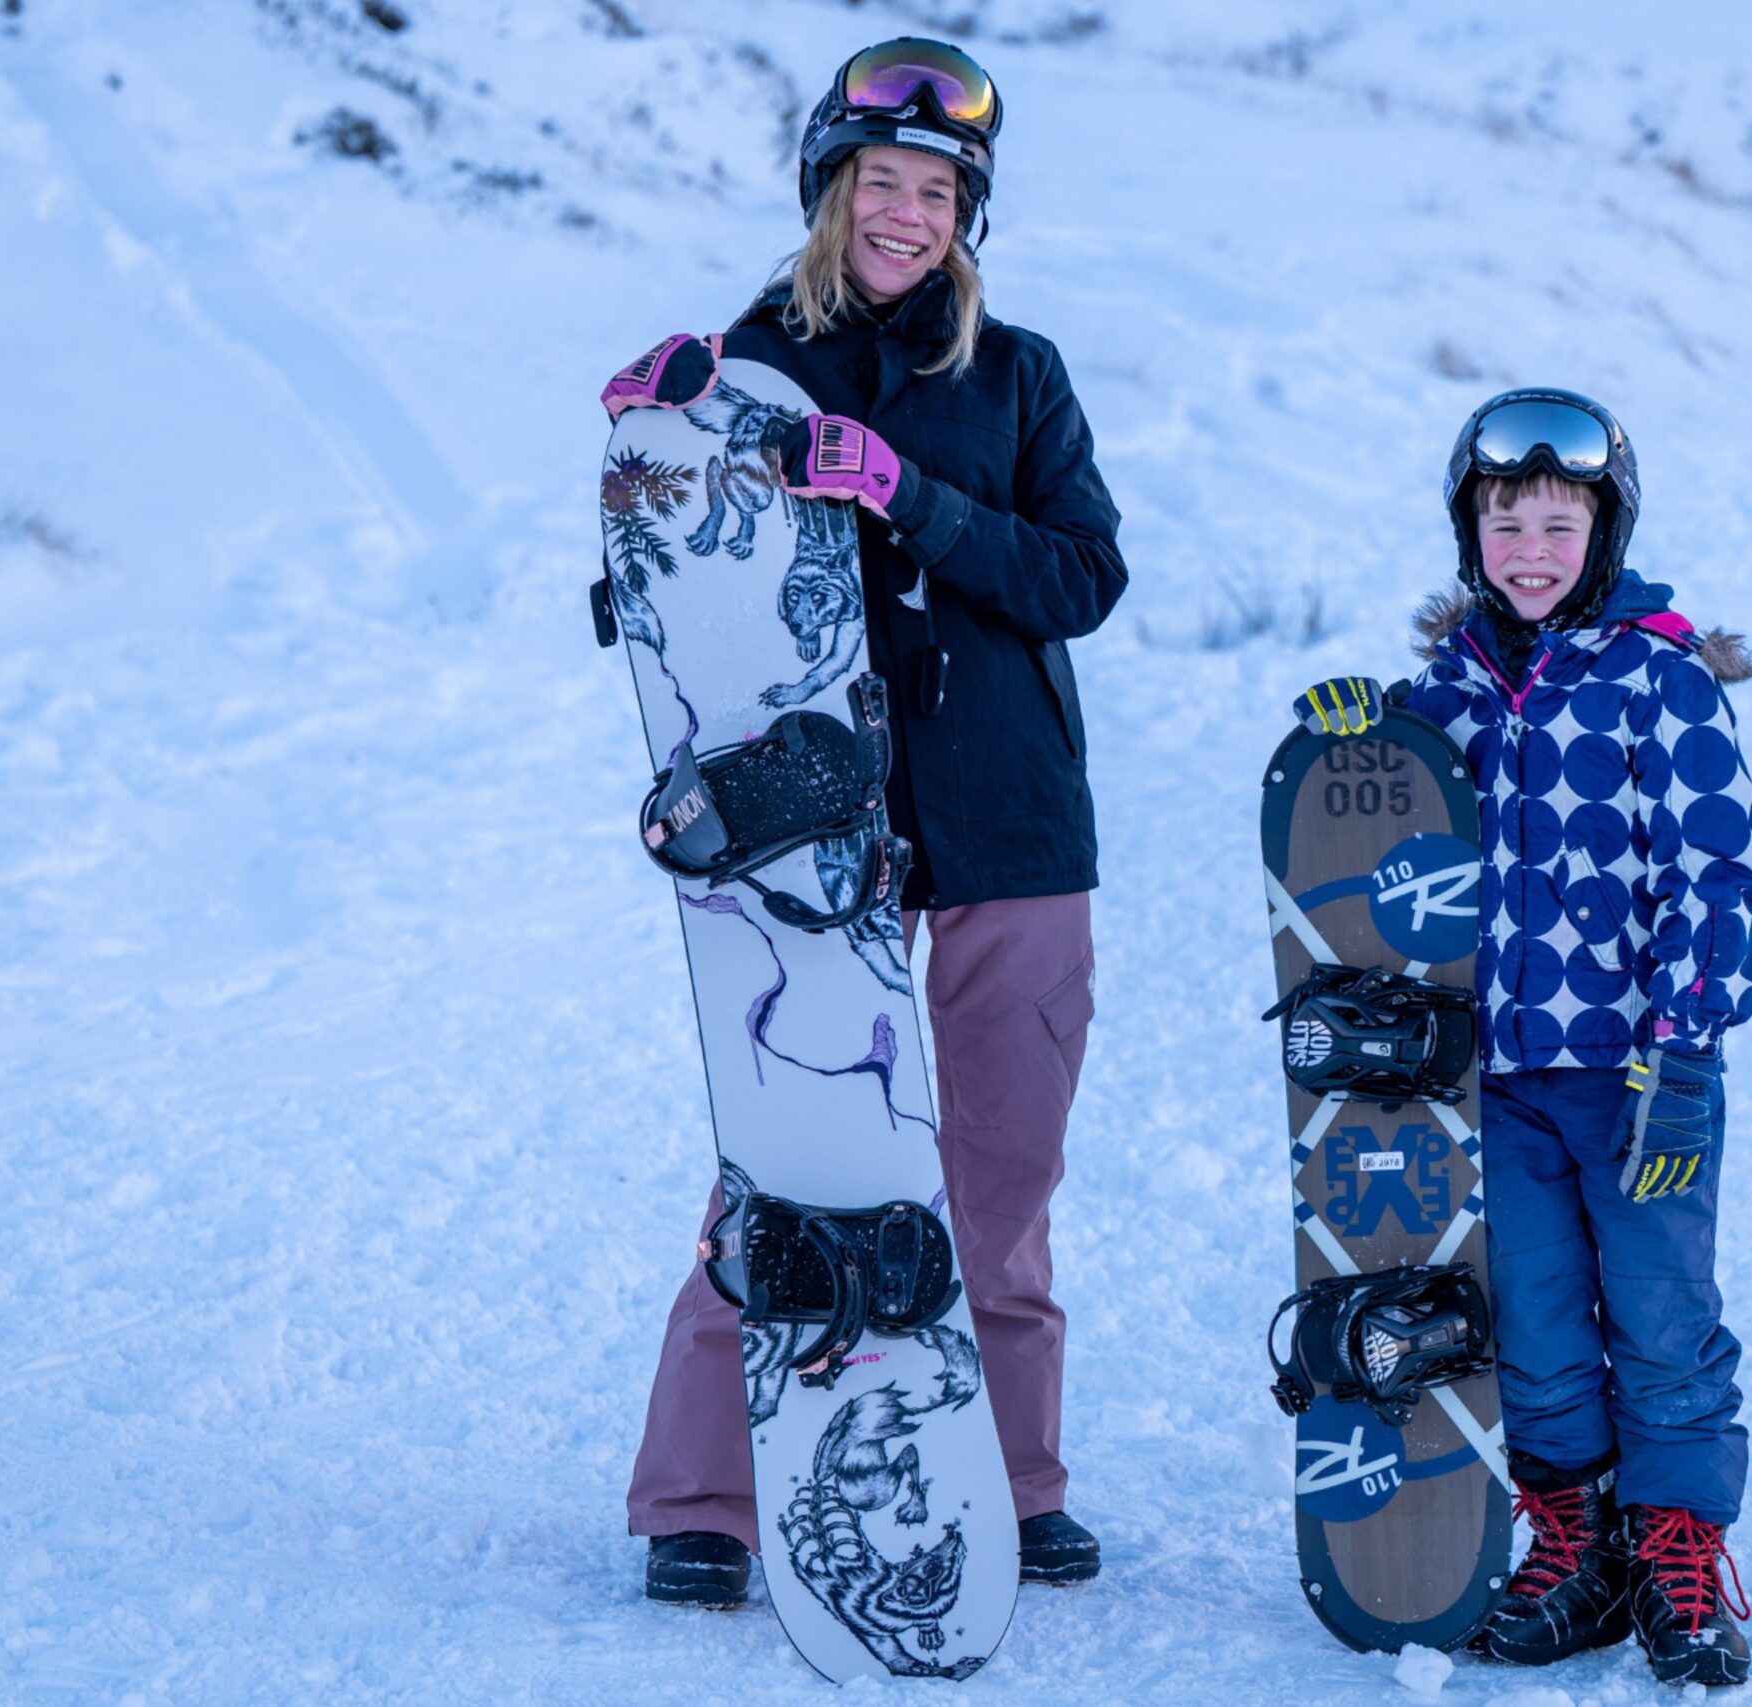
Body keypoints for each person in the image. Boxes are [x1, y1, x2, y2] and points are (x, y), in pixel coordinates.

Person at [608, 37, 1126, 1606]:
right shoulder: (745, 367)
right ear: (831, 191)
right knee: (783, 1156)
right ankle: (705, 1497)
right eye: (882, 182)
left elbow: (1079, 579)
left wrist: (910, 492)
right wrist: (647, 464)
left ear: (970, 212)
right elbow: (672, 588)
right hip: (806, 839)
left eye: (939, 190)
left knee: (997, 1178)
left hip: (1010, 828)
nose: (909, 213)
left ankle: (1015, 1485)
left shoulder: (1018, 374)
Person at [1294, 389, 1752, 1686]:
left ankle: (1674, 1548)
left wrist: (1688, 1047)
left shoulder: (1659, 677)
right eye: (1508, 526)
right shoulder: (1450, 685)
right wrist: (1362, 741)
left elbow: (1714, 874)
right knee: (1537, 1326)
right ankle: (1574, 1540)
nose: (1534, 551)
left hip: (1637, 1075)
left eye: (1561, 525)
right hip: (1495, 1081)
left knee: (1662, 1321)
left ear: (1604, 532)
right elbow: (1385, 832)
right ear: (1470, 534)